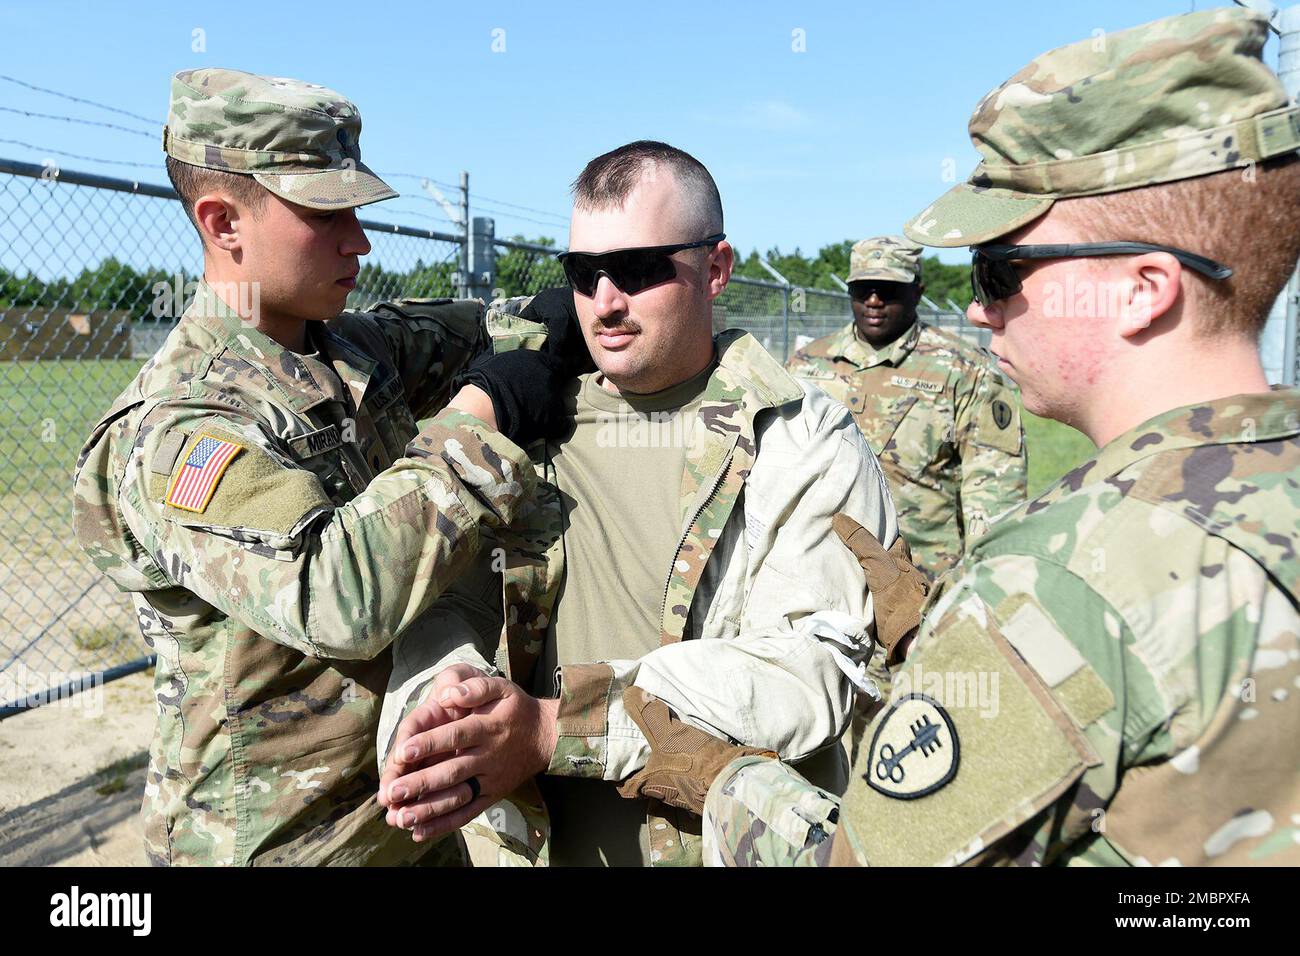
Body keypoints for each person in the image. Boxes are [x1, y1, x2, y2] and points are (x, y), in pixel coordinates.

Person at [702, 6, 1300, 866]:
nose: (981, 307)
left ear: (1142, 289)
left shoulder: (1060, 581)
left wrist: (724, 779)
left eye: (1004, 269)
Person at [72, 68, 584, 866]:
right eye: (325, 211)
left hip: (405, 819)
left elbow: (479, 332)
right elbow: (335, 595)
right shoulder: (181, 426)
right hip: (281, 844)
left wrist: (575, 309)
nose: (360, 239)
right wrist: (482, 419)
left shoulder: (345, 344)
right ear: (223, 221)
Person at [374, 140, 900, 866]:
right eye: (583, 274)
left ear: (715, 269)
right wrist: (442, 700)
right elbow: (446, 602)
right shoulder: (526, 421)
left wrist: (555, 730)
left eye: (638, 269)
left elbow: (812, 672)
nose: (605, 301)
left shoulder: (801, 437)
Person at [788, 236, 1027, 583]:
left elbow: (993, 492)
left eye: (888, 290)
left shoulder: (965, 371)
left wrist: (982, 585)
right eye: (863, 289)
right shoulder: (807, 366)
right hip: (821, 574)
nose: (873, 301)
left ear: (917, 291)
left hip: (922, 580)